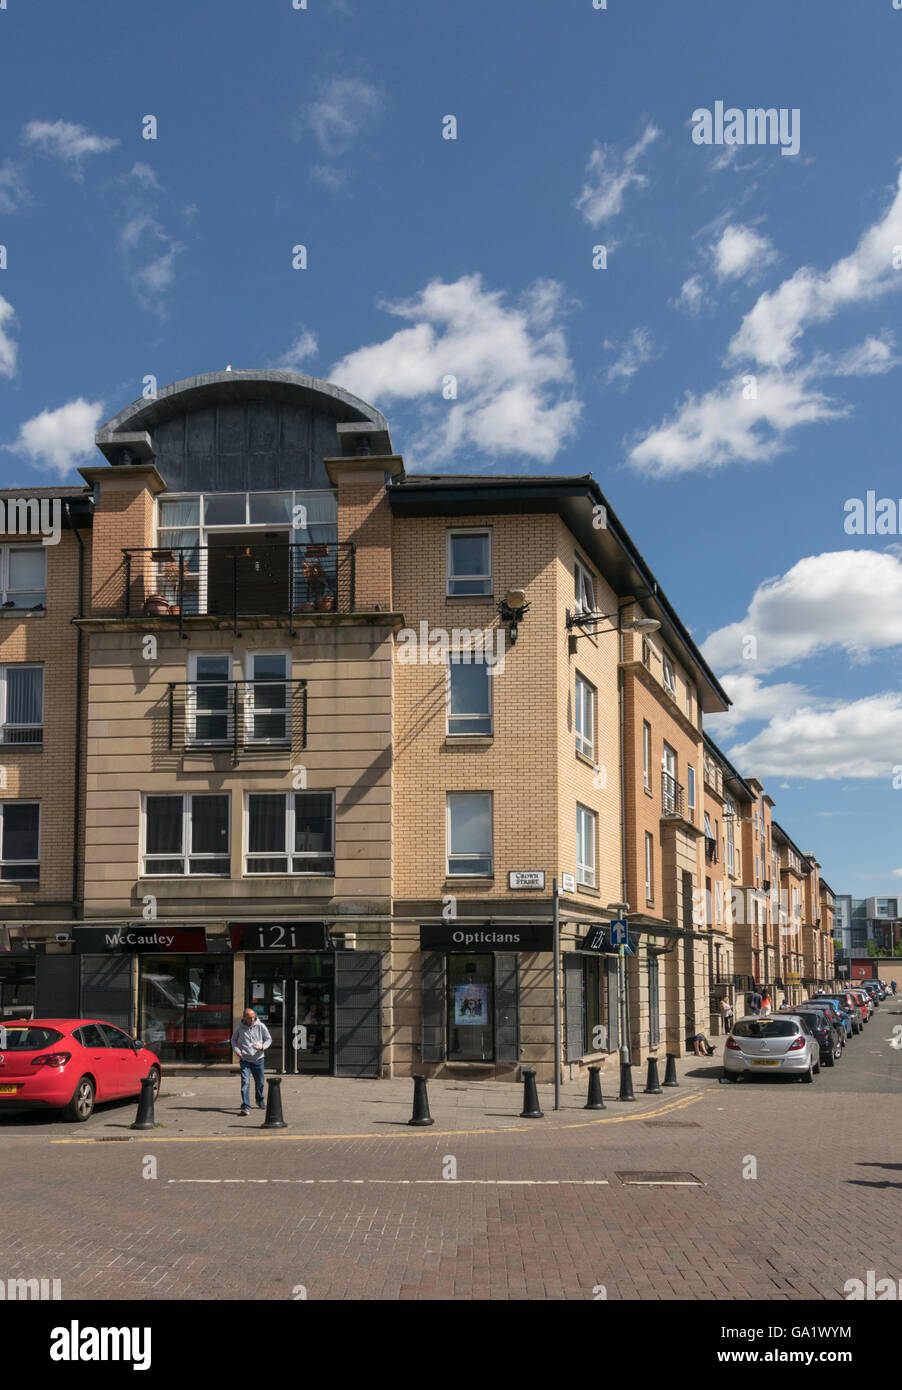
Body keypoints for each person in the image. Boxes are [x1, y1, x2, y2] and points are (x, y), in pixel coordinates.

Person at [230, 1007, 272, 1115]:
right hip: (245, 1060)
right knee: (245, 1082)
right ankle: (246, 1106)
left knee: (260, 1082)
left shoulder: (260, 1026)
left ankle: (259, 1099)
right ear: (244, 1018)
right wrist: (237, 1051)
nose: (252, 1020)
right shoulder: (240, 1027)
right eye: (250, 1018)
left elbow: (269, 1039)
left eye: (254, 1017)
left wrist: (262, 1046)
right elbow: (233, 1040)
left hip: (258, 1059)